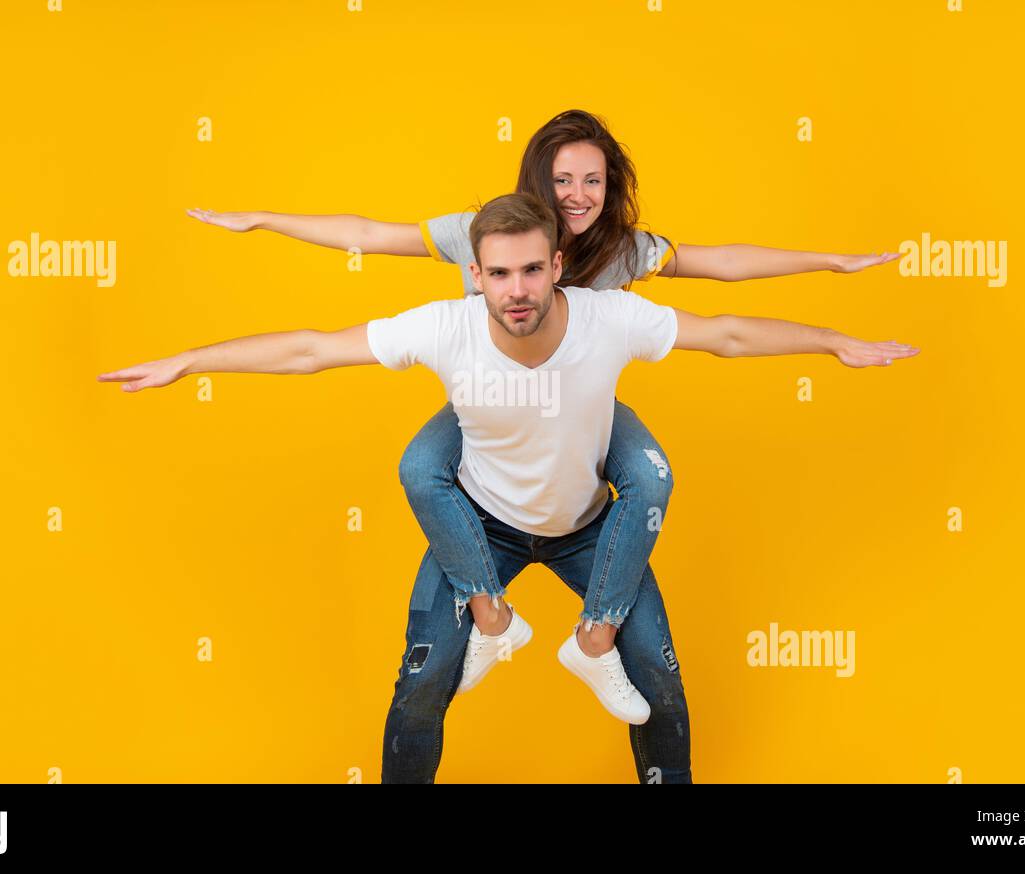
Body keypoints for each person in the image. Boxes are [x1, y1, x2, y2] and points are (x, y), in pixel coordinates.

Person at [100, 192, 919, 781]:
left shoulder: (610, 318)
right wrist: (191, 360)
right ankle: (491, 620)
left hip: (590, 529)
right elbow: (311, 349)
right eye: (498, 274)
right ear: (475, 274)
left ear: (559, 265)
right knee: (423, 684)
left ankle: (593, 646)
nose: (517, 291)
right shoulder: (442, 327)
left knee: (660, 683)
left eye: (532, 270)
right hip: (480, 530)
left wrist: (834, 342)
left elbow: (729, 332)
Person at [185, 110, 900, 695]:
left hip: (576, 406)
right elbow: (368, 236)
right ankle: (491, 618)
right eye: (563, 181)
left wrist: (827, 267)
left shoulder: (621, 250)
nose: (578, 196)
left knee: (649, 475)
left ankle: (597, 638)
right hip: (489, 400)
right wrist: (263, 220)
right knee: (419, 465)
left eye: (593, 180)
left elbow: (724, 272)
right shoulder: (495, 231)